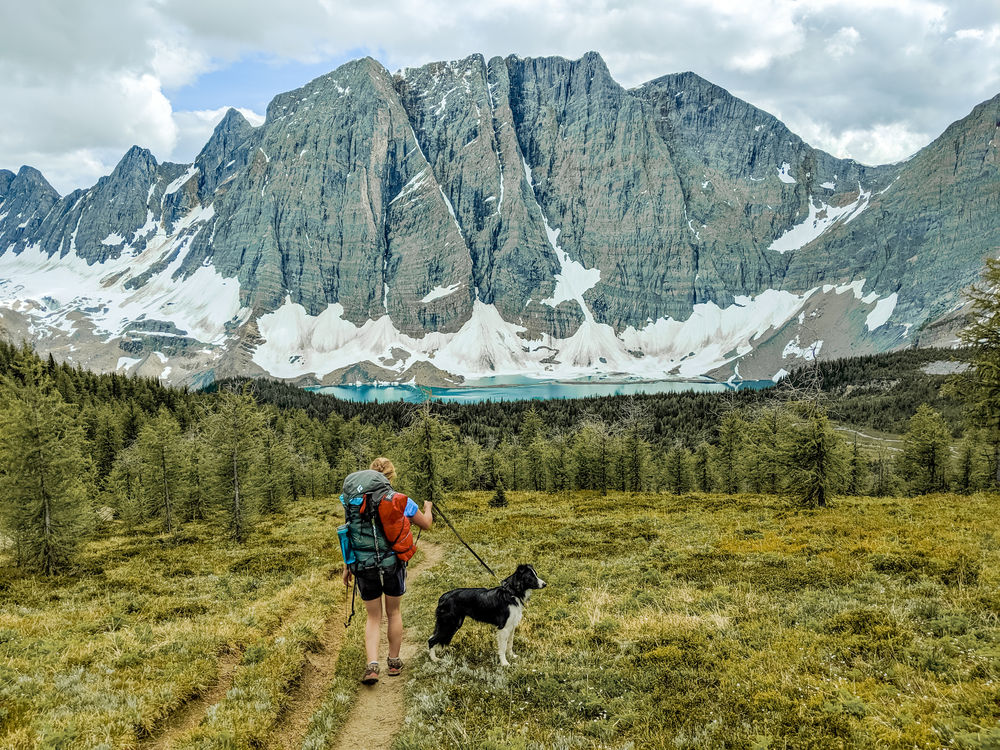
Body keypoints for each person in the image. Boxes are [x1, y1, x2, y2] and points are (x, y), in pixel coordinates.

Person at [342, 457, 432, 684]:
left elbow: (350, 533)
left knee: (373, 617)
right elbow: (426, 524)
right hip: (392, 563)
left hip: (363, 565)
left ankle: (372, 667)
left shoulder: (352, 501)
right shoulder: (400, 500)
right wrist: (428, 508)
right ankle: (393, 662)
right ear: (391, 477)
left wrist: (346, 566)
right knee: (394, 612)